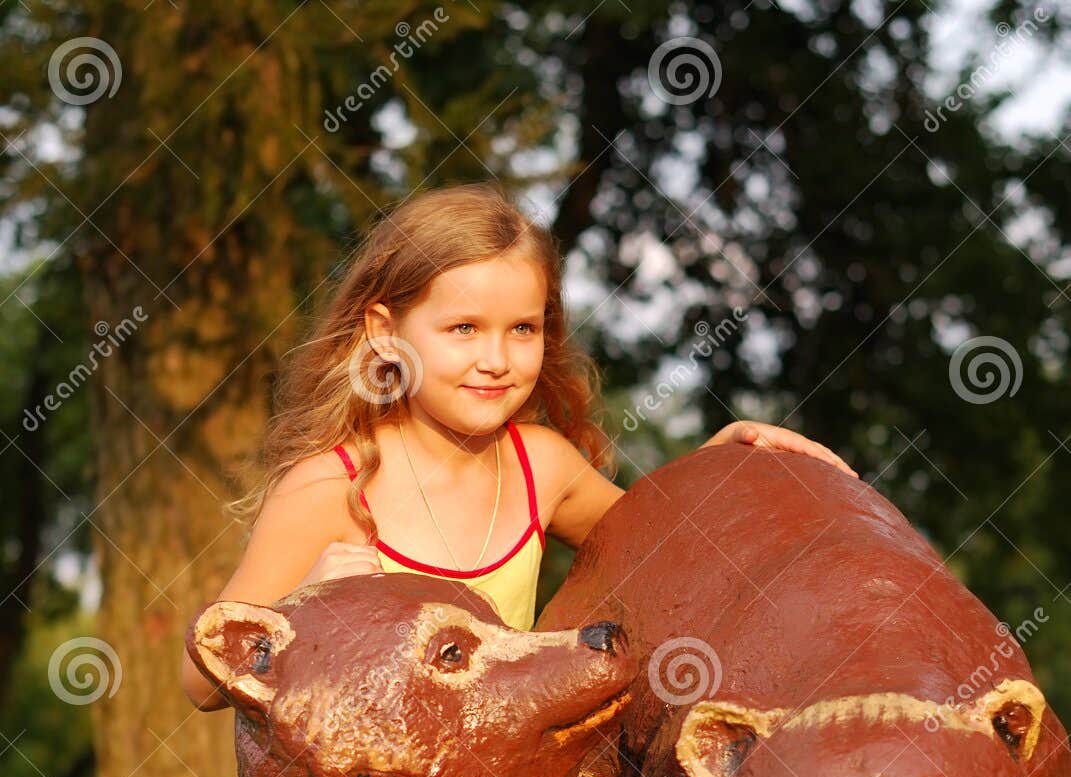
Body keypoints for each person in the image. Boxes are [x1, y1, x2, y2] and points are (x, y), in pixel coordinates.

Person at [182, 183, 856, 711]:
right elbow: (201, 681)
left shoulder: (542, 466)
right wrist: (303, 606)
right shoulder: (329, 489)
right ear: (386, 332)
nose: (496, 360)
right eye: (464, 328)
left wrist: (724, 459)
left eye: (523, 330)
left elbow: (665, 551)